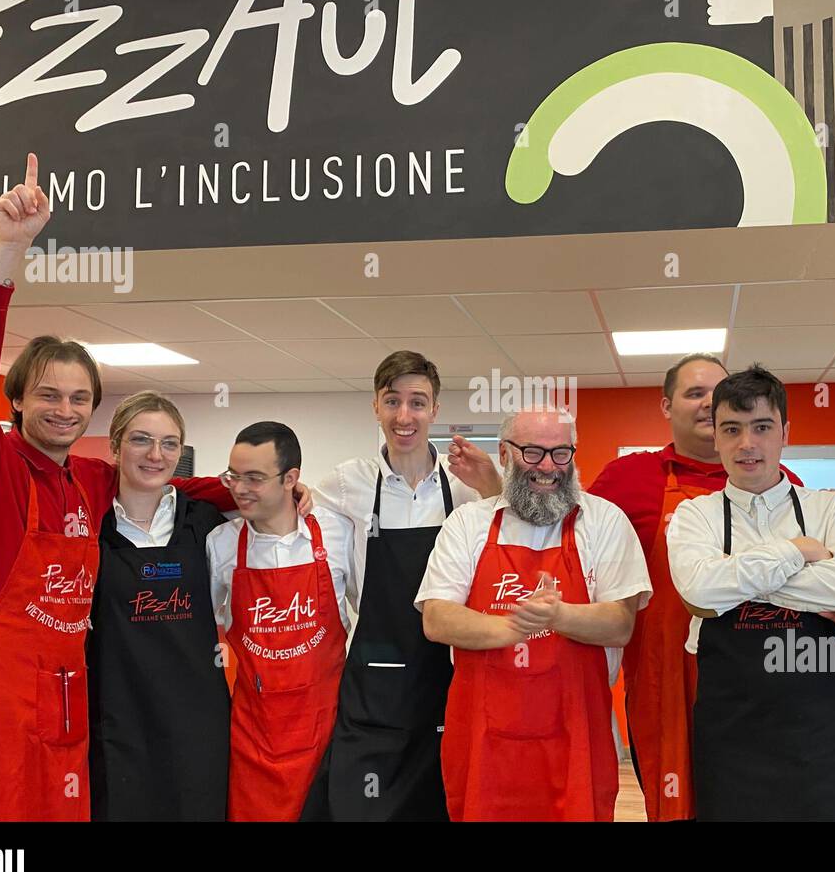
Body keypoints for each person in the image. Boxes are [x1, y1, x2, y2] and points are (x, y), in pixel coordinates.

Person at [0, 154, 237, 822]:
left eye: (79, 398)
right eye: (48, 395)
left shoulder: (90, 478)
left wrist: (258, 493)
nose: (65, 409)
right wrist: (9, 250)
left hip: (68, 700)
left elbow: (167, 476)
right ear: (17, 399)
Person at [587, 353, 803, 821]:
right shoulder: (629, 479)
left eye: (717, 393)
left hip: (759, 674)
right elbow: (566, 542)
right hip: (663, 680)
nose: (709, 404)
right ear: (666, 406)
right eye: (693, 393)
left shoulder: (781, 483)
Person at [667, 365, 835, 821]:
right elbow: (700, 591)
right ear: (717, 438)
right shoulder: (695, 516)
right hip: (733, 743)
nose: (748, 444)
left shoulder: (831, 506)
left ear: (785, 431)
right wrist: (798, 551)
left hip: (828, 741)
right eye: (732, 429)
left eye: (762, 427)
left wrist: (737, 579)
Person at [417, 406, 651, 821]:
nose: (548, 467)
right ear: (504, 455)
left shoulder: (605, 521)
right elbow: (436, 618)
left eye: (561, 453)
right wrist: (513, 625)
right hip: (483, 740)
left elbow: (620, 624)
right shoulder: (467, 524)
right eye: (533, 453)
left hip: (577, 736)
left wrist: (557, 616)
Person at [302, 351, 500, 821]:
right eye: (392, 401)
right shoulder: (346, 483)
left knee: (439, 804)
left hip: (448, 675)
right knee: (357, 805)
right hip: (373, 681)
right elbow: (285, 507)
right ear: (375, 406)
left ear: (434, 409)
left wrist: (495, 489)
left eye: (417, 402)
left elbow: (518, 543)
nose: (404, 416)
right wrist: (294, 491)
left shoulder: (467, 485)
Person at [85, 393, 229, 821]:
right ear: (114, 446)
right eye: (141, 440)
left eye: (169, 444)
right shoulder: (88, 524)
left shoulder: (207, 522)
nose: (155, 454)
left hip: (197, 722)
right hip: (116, 719)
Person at [209, 422, 352, 822]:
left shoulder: (338, 534)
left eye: (254, 478)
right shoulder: (220, 544)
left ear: (291, 479)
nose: (239, 488)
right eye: (233, 476)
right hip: (252, 733)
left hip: (325, 727)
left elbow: (371, 612)